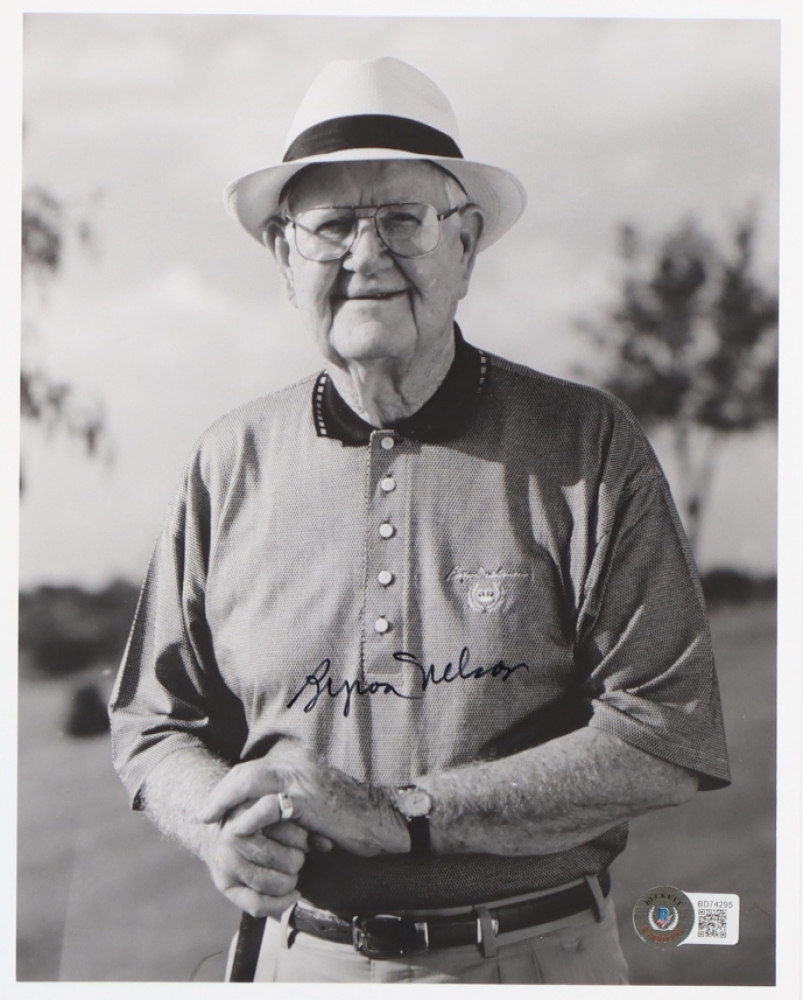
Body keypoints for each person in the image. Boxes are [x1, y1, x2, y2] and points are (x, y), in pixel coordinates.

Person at [109, 57, 730, 984]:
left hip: (531, 958)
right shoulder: (225, 461)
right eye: (329, 228)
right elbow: (153, 726)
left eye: (402, 219)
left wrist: (400, 812)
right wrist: (217, 826)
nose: (366, 256)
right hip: (297, 962)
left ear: (466, 245)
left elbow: (662, 732)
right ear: (284, 256)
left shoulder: (587, 442)